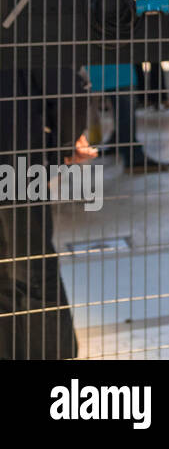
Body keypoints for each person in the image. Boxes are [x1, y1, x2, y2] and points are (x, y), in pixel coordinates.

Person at [0, 69, 91, 359]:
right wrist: (62, 147)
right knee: (33, 263)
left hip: (17, 152)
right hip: (17, 155)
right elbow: (64, 84)